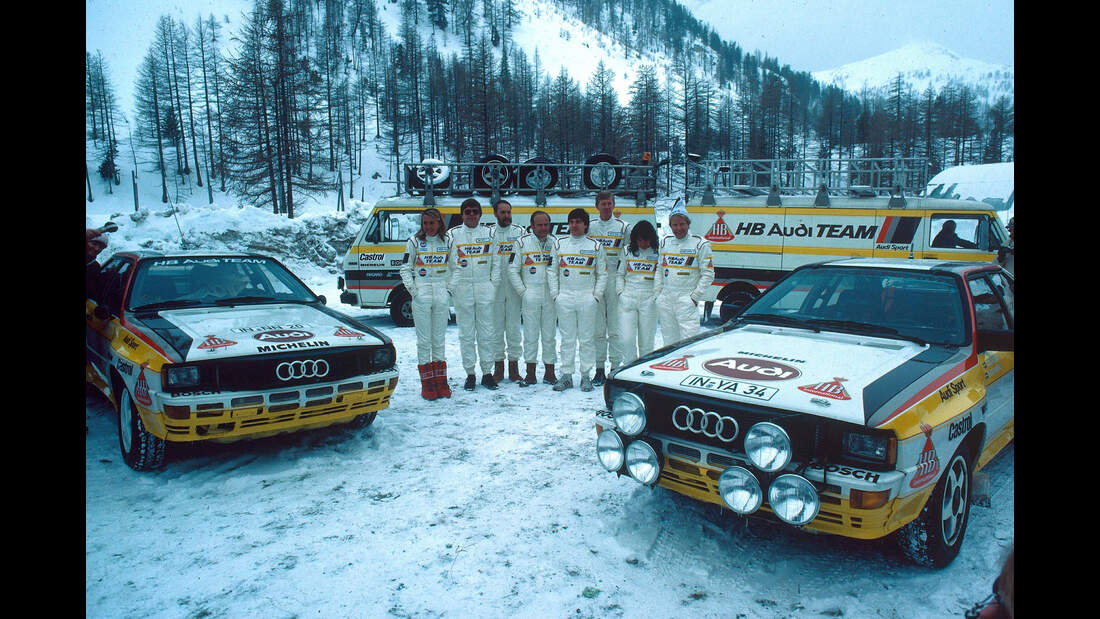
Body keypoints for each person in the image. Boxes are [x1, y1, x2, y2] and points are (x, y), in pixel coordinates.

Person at [548, 208, 606, 392]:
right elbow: (551, 271)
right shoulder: (559, 244)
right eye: (572, 222)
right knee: (567, 338)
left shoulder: (595, 246)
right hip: (564, 296)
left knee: (587, 338)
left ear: (586, 224)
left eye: (578, 222)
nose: (574, 225)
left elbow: (602, 274)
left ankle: (586, 375)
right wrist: (556, 295)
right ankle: (566, 375)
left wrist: (595, 296)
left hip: (586, 296)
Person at [446, 198, 500, 391]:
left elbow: (497, 264)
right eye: (467, 211)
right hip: (463, 288)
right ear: (462, 214)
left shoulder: (490, 233)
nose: (471, 215)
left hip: (484, 286)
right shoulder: (452, 235)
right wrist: (452, 287)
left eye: (474, 211)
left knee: (487, 333)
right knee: (466, 334)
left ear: (480, 214)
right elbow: (448, 265)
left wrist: (492, 287)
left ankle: (487, 373)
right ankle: (470, 373)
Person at [399, 208, 452, 400]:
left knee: (439, 340)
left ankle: (441, 382)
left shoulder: (447, 241)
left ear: (439, 223)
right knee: (424, 341)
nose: (428, 227)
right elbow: (405, 268)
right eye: (425, 223)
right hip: (422, 294)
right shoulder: (414, 242)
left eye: (432, 223)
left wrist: (449, 290)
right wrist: (414, 291)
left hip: (440, 293)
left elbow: (455, 268)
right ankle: (427, 385)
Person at [508, 210, 558, 387]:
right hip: (531, 292)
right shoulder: (522, 242)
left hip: (550, 295)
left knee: (549, 335)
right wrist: (523, 292)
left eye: (546, 224)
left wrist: (556, 293)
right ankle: (530, 373)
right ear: (532, 226)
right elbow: (512, 270)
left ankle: (550, 372)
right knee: (530, 334)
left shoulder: (556, 242)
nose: (543, 228)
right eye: (539, 225)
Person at [587, 191, 631, 384]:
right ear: (597, 205)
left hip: (614, 279)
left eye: (609, 203)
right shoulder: (590, 226)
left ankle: (615, 368)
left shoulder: (624, 227)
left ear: (614, 205)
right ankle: (598, 368)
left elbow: (631, 254)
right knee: (597, 328)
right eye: (603, 203)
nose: (606, 207)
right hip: (595, 281)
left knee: (615, 327)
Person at [655, 204, 714, 346]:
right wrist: (658, 294)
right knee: (669, 344)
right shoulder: (665, 242)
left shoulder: (700, 243)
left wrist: (694, 297)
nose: (678, 228)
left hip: (686, 300)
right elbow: (659, 270)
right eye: (674, 225)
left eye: (682, 224)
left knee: (689, 344)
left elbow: (708, 274)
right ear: (670, 225)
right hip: (666, 300)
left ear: (688, 223)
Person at [489, 199, 527, 384]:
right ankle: (498, 368)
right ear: (495, 214)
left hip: (513, 288)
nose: (506, 216)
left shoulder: (520, 232)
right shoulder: (489, 233)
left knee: (513, 329)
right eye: (502, 212)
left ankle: (514, 367)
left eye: (508, 212)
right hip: (495, 289)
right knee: (496, 329)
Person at [617, 220, 660, 361]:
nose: (643, 244)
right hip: (628, 297)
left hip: (649, 298)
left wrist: (656, 296)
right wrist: (620, 293)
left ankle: (642, 372)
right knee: (626, 339)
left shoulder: (658, 252)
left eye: (647, 240)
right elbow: (620, 274)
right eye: (640, 240)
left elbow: (661, 277)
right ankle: (629, 367)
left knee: (646, 342)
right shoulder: (626, 250)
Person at [86, 228, 108, 297]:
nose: (97, 248)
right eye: (94, 244)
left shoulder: (95, 267)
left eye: (101, 247)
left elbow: (93, 290)